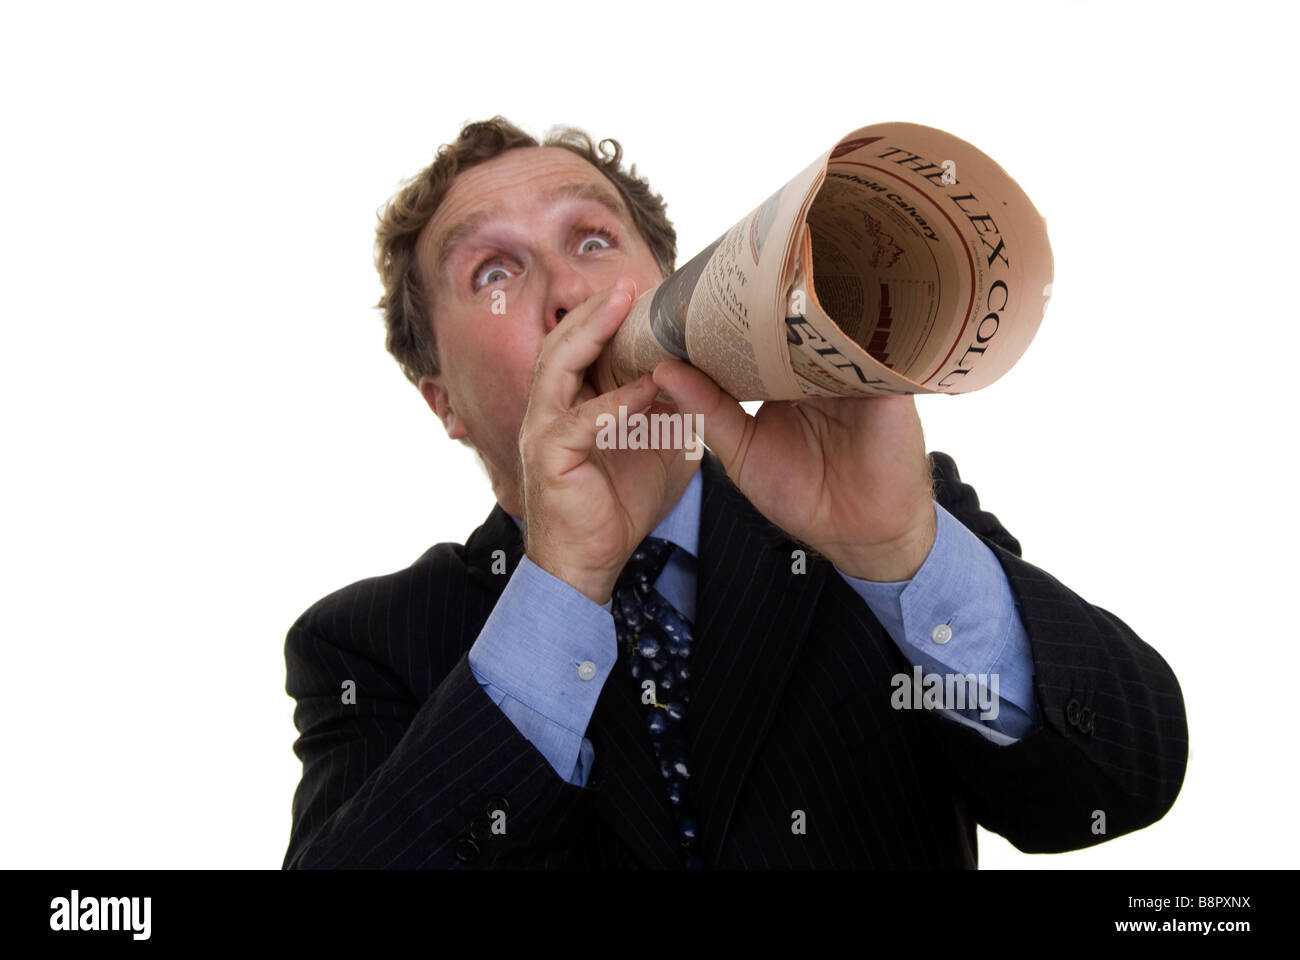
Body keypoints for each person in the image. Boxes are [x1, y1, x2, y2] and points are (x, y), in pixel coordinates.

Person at [281, 116, 1188, 869]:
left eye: (593, 240)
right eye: (495, 273)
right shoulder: (367, 647)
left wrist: (899, 556)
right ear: (443, 402)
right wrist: (559, 590)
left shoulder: (891, 517)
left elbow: (1123, 781)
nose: (567, 293)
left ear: (671, 286)